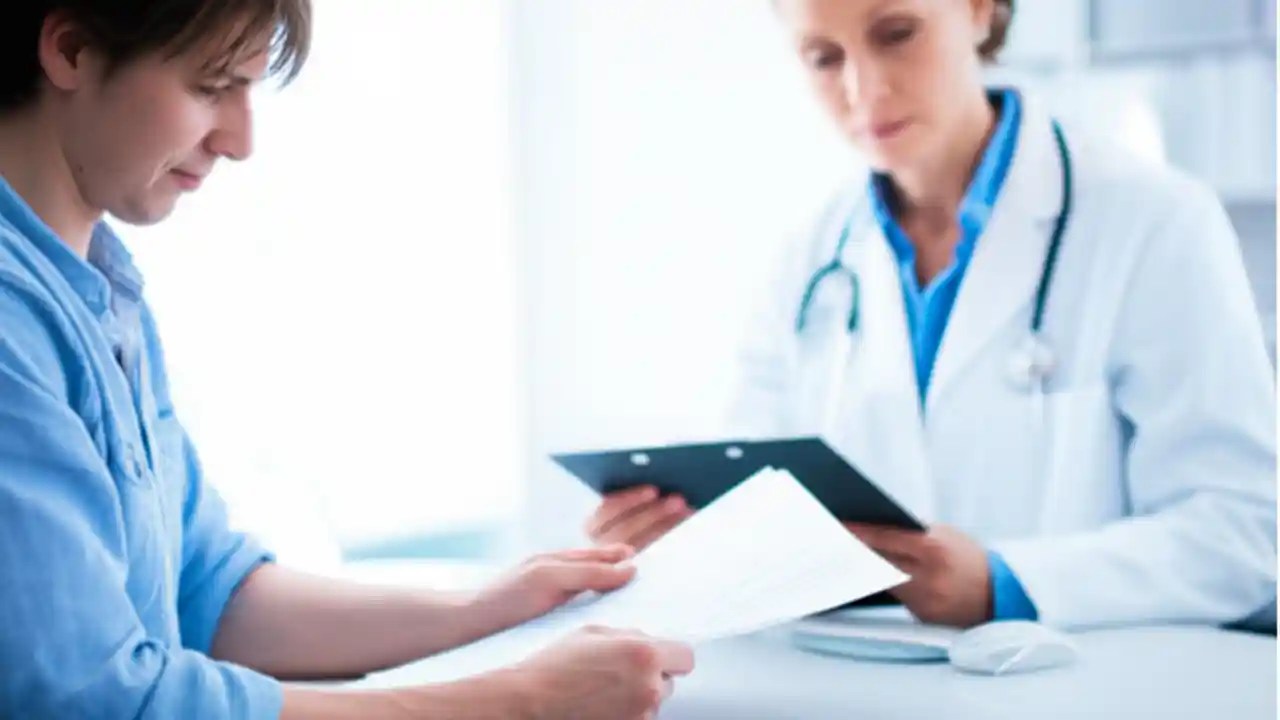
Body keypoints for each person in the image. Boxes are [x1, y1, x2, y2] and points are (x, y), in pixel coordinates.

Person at [0, 2, 693, 718]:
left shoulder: (100, 292)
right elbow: (90, 699)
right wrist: (521, 701)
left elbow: (211, 594)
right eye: (211, 87)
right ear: (72, 49)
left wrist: (487, 607)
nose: (240, 141)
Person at [587, 0, 1277, 630]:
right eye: (824, 58)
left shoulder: (1152, 220)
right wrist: (689, 538)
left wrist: (1009, 583)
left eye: (896, 34)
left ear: (980, 11)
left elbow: (1244, 531)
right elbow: (762, 496)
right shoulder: (809, 256)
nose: (863, 90)